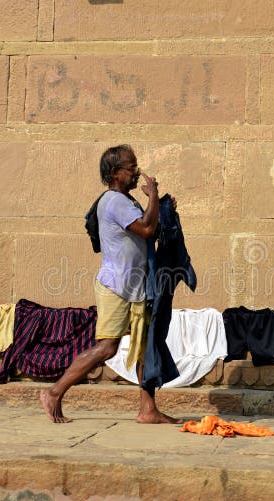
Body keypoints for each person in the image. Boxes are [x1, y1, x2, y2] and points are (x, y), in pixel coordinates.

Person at [40, 145, 180, 424]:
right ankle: (54, 392)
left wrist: (161, 209)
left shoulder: (127, 201)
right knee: (107, 347)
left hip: (136, 287)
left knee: (144, 348)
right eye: (131, 167)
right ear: (115, 173)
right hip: (117, 287)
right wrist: (152, 195)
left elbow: (148, 231)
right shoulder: (113, 201)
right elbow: (147, 229)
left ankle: (148, 410)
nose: (137, 172)